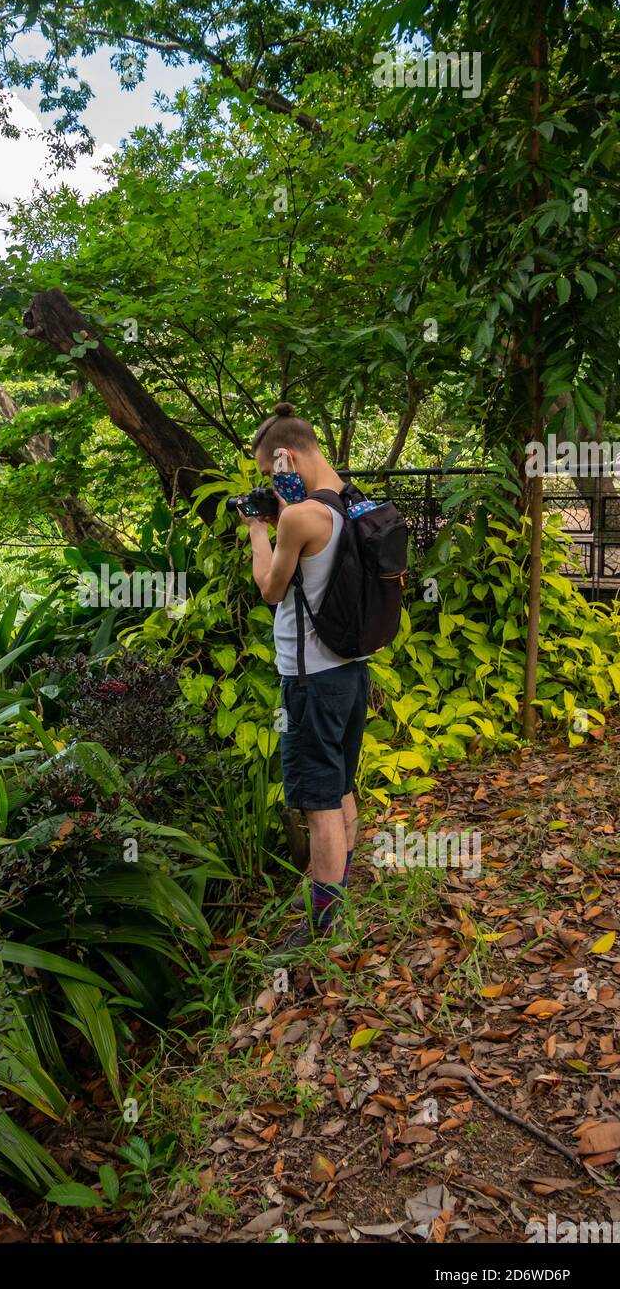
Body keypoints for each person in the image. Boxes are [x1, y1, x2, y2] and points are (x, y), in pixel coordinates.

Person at [243, 403, 370, 960]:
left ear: (286, 456)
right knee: (340, 786)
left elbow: (271, 588)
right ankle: (335, 894)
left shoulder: (298, 519)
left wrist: (255, 528)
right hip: (349, 671)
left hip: (310, 681)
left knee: (318, 804)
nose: (270, 482)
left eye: (271, 471)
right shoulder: (351, 502)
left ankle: (324, 931)